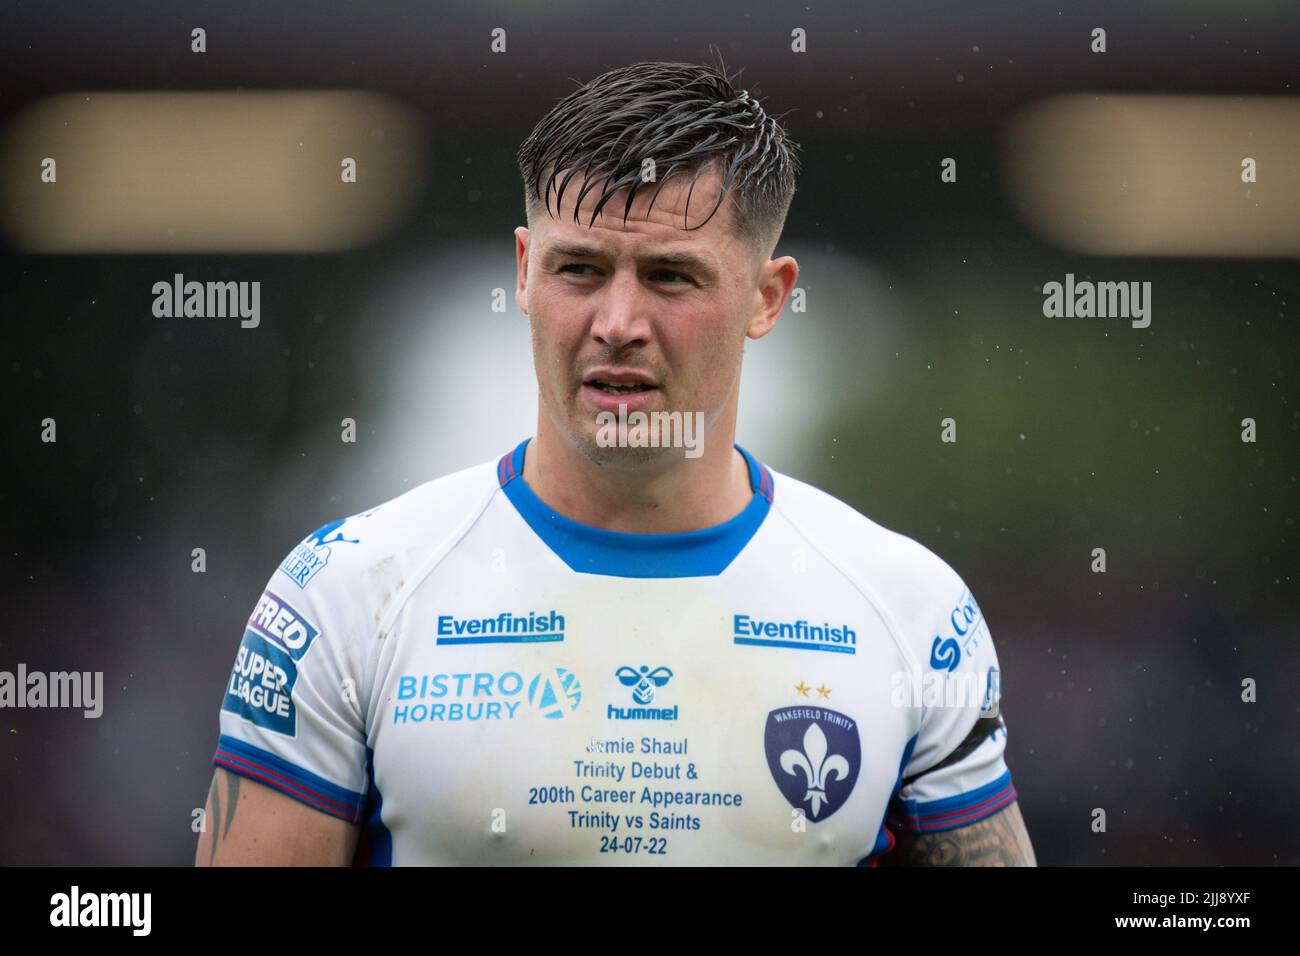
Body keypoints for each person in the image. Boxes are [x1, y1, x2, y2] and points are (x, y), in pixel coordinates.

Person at [196, 60, 1035, 866]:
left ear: (766, 297)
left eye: (671, 277)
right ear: (526, 272)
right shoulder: (347, 594)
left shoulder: (911, 611)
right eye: (581, 270)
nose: (618, 321)